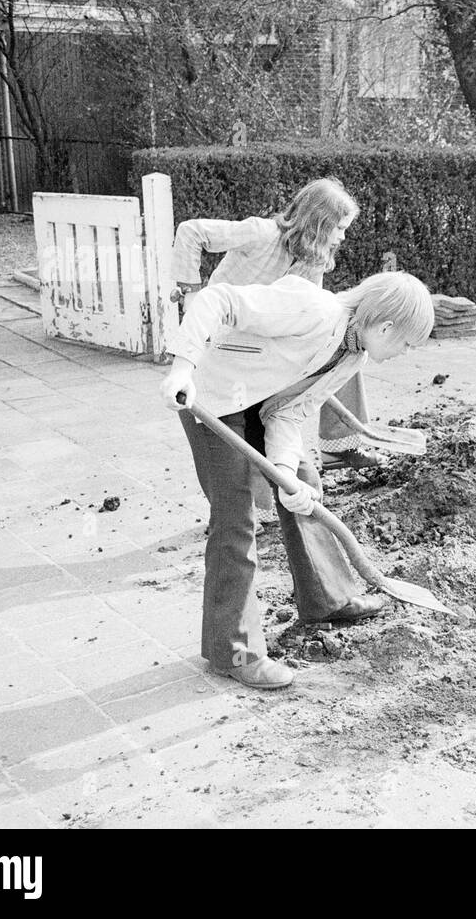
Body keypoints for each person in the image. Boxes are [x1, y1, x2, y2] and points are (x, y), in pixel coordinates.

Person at [158, 271, 435, 689]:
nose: (406, 352)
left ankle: (327, 597)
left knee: (303, 479)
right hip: (212, 395)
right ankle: (234, 651)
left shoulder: (352, 356)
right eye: (407, 343)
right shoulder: (314, 310)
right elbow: (217, 300)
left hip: (260, 402)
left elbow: (287, 413)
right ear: (386, 327)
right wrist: (182, 368)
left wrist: (286, 476)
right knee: (235, 518)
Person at [170, 178, 378, 481]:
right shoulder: (261, 233)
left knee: (345, 348)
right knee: (249, 419)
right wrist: (190, 293)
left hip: (263, 339)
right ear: (320, 221)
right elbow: (191, 232)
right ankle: (254, 493)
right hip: (222, 336)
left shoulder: (313, 261)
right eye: (340, 228)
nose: (343, 238)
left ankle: (339, 444)